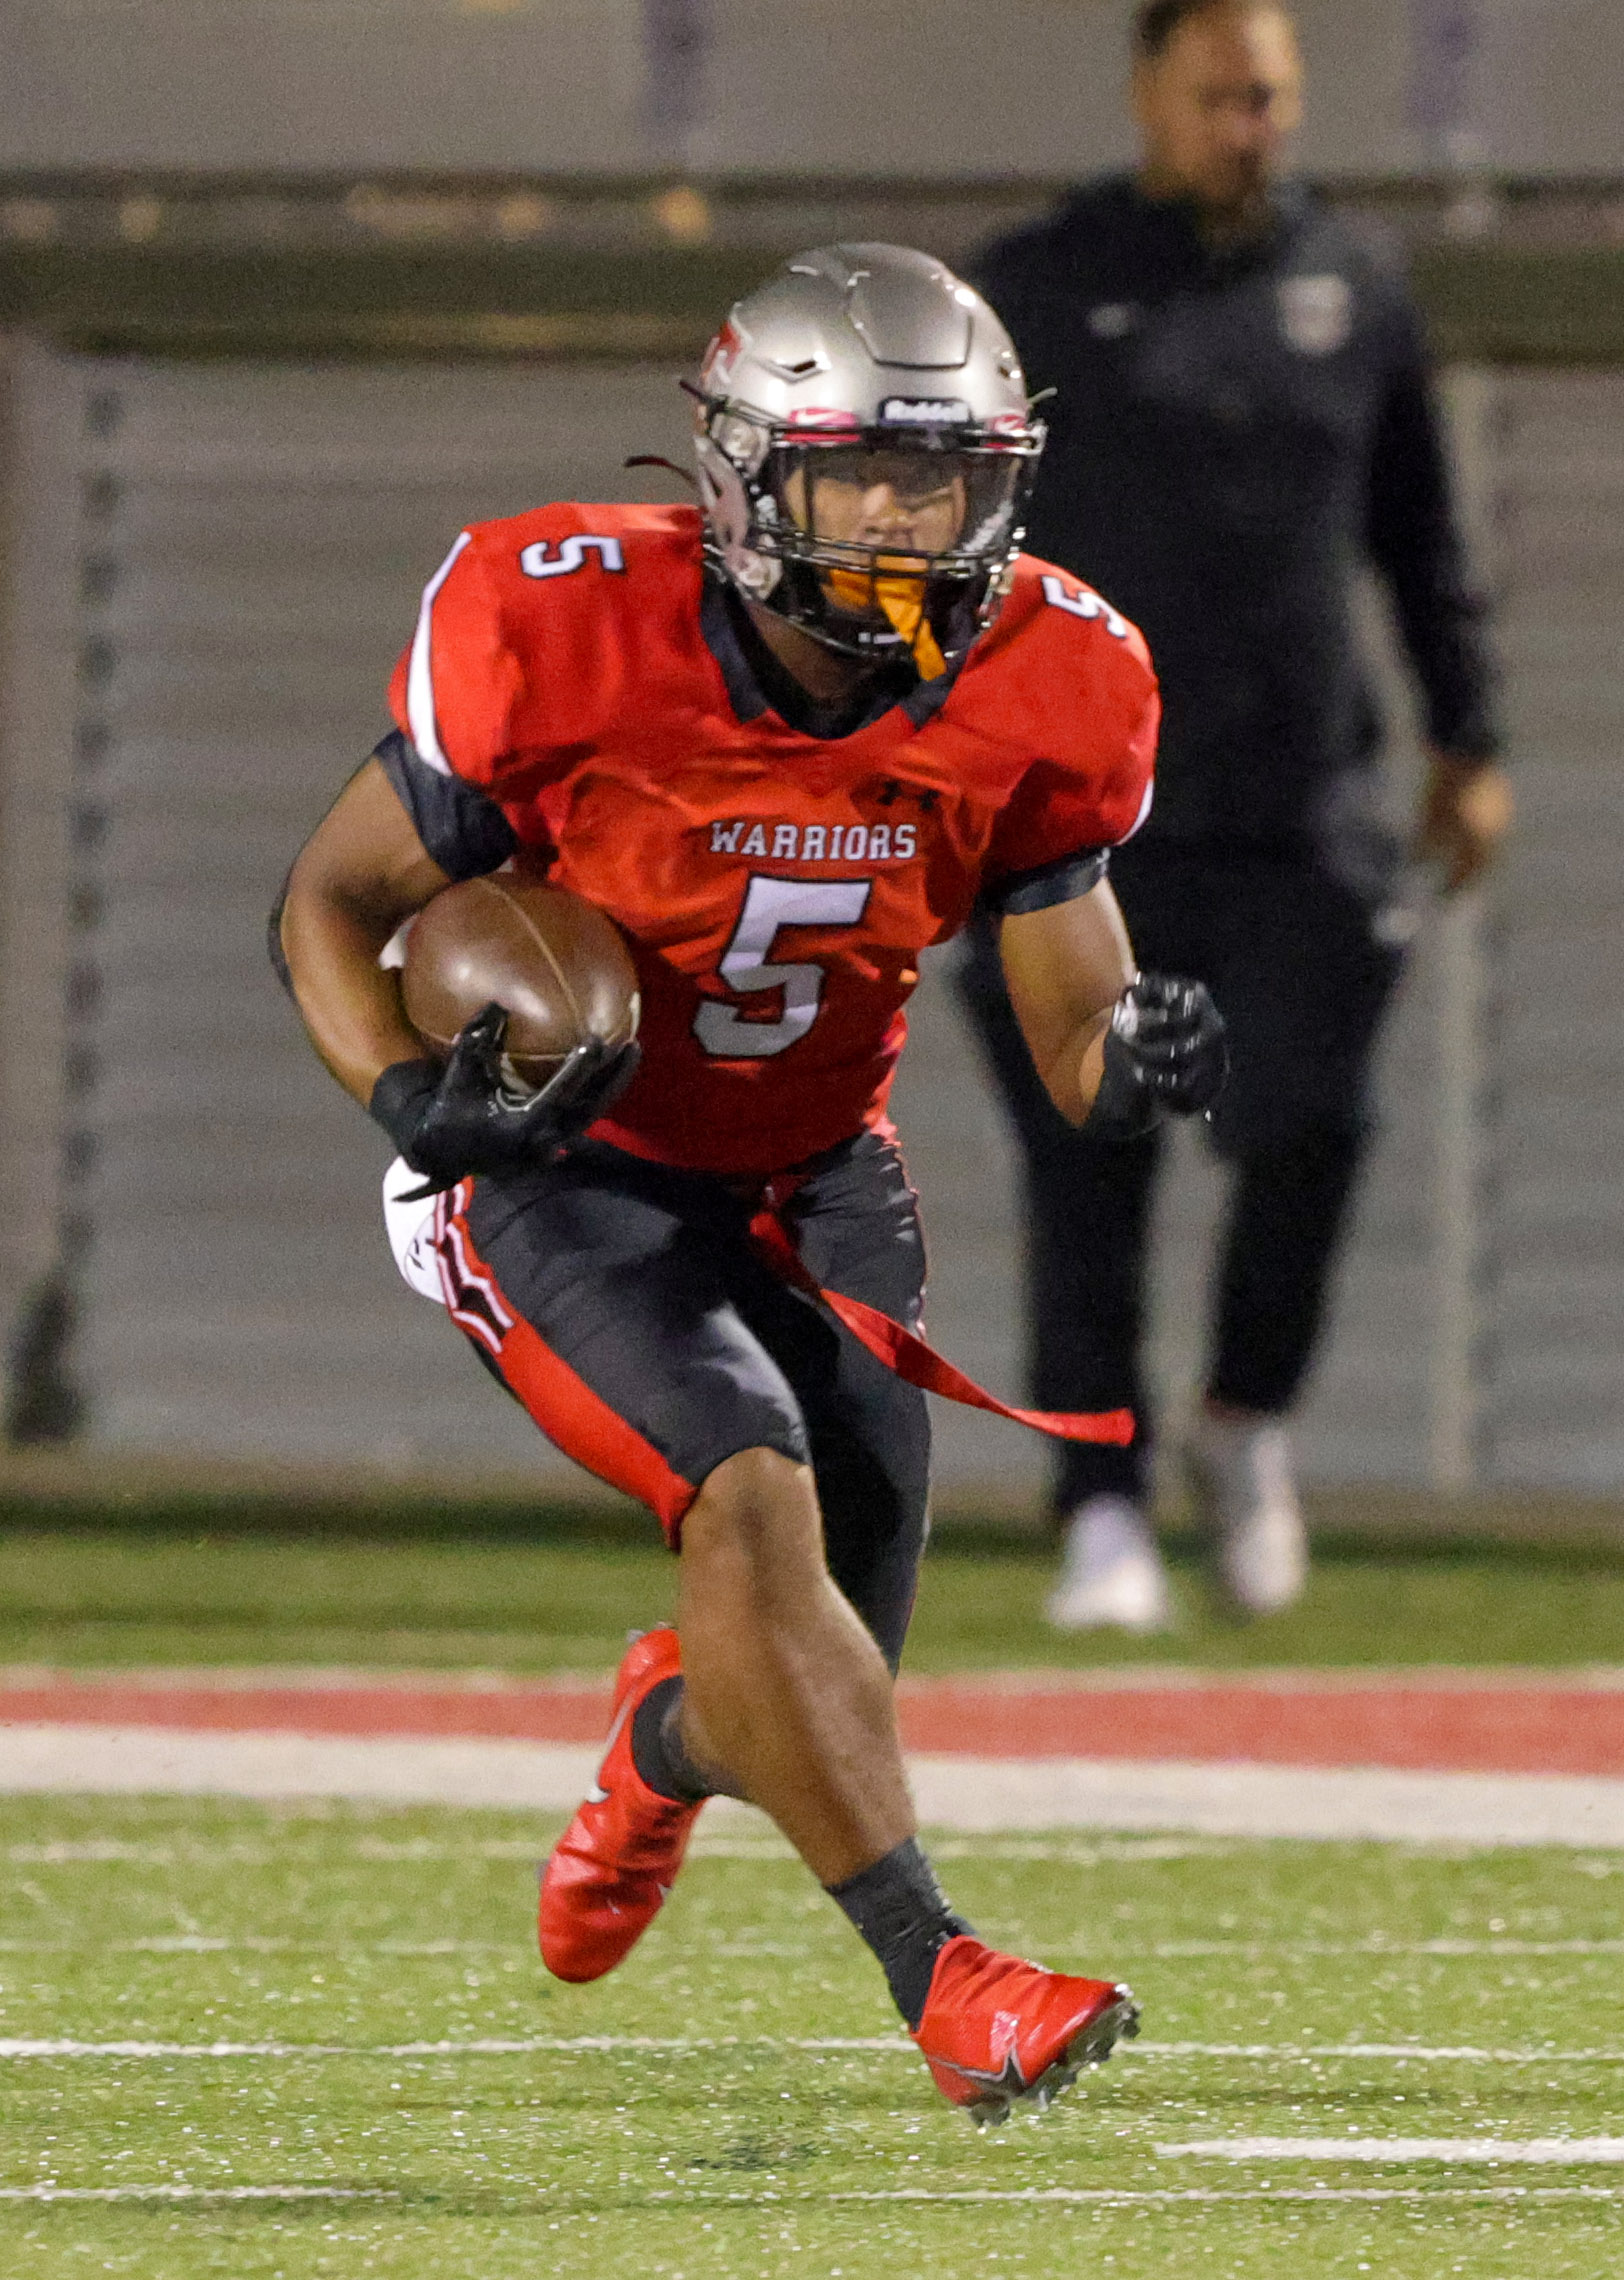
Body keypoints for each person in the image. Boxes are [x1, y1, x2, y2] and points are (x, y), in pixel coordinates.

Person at [272, 245, 1229, 2118]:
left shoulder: (1053, 675)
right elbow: (333, 899)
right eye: (864, 469)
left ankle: (662, 1740)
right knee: (749, 1487)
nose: (905, 514)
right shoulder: (558, 623)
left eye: (945, 475)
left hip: (817, 1179)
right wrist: (410, 1098)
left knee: (814, 1669)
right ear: (742, 475)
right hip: (568, 1173)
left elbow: (1070, 1030)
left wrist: (1135, 1067)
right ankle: (950, 1983)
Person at [962, 0, 1514, 1632]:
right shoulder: (1037, 284)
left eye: (1269, 97)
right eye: (1216, 96)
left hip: (1298, 808)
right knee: (1089, 1162)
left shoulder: (1355, 292)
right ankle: (1104, 1508)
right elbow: (944, 554)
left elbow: (1420, 539)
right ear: (1147, 95)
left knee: (1315, 1125)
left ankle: (1243, 1424)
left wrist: (1468, 741)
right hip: (1078, 823)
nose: (1246, 126)